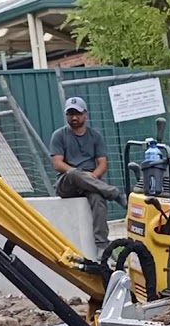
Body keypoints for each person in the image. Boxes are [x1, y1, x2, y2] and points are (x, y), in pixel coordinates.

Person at [50, 96, 128, 257]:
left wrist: (91, 176)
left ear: (85, 114)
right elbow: (58, 164)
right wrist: (79, 173)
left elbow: (103, 164)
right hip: (67, 183)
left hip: (90, 181)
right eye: (70, 114)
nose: (74, 117)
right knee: (74, 173)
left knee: (99, 200)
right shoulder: (59, 135)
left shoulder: (95, 136)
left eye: (77, 113)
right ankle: (115, 194)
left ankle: (101, 246)